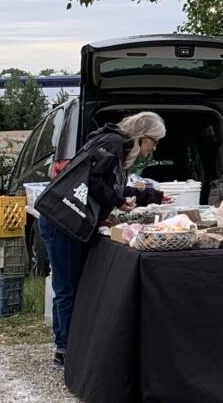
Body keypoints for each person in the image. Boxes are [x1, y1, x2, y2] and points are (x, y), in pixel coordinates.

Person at [38, 111, 167, 366]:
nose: (153, 147)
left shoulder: (114, 146)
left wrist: (153, 196)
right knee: (67, 288)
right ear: (143, 136)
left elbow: (113, 187)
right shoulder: (114, 144)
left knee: (73, 285)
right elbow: (94, 180)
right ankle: (64, 350)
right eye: (154, 141)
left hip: (70, 221)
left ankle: (71, 344)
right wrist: (118, 202)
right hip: (62, 221)